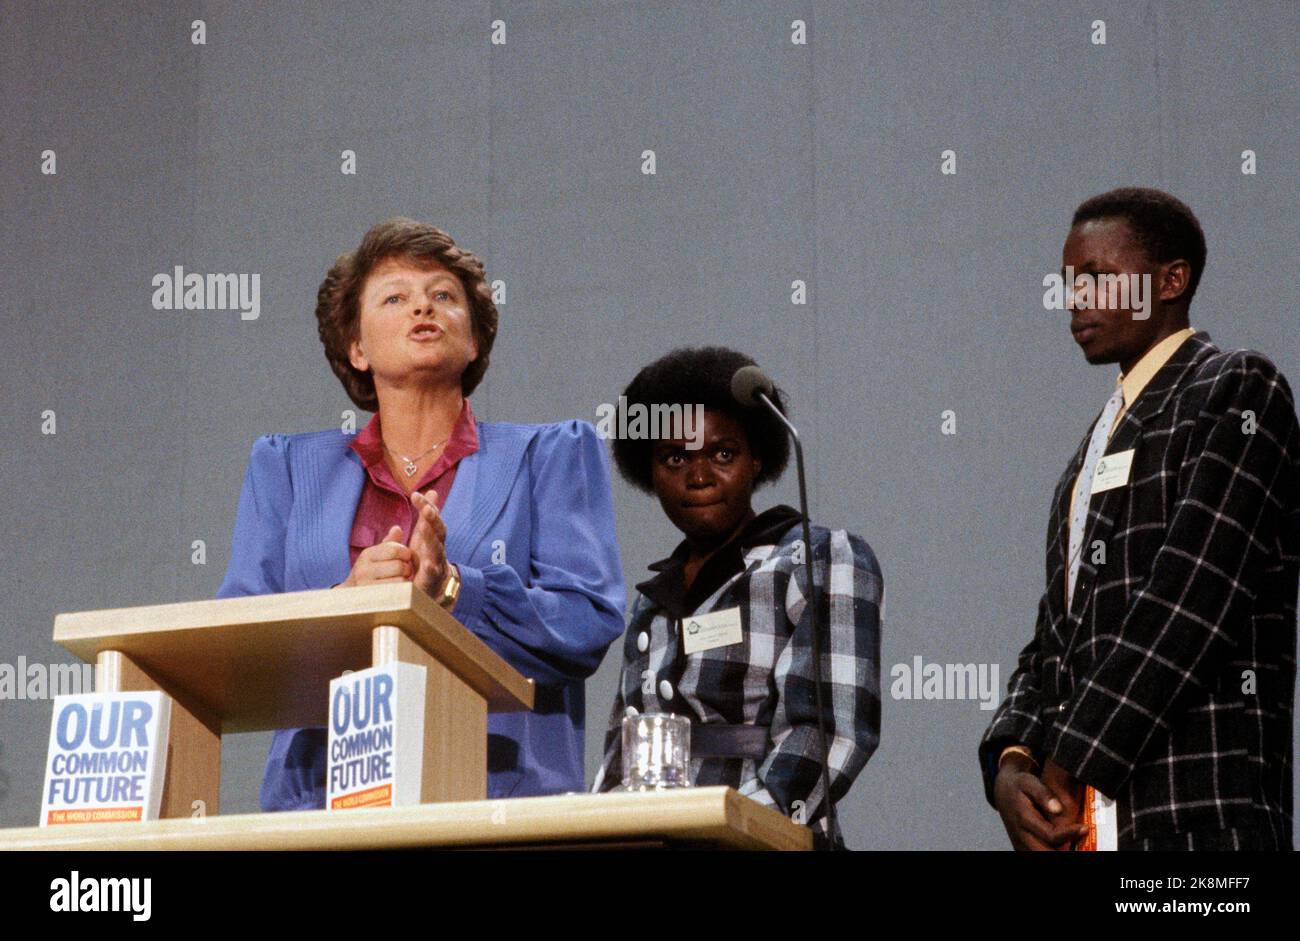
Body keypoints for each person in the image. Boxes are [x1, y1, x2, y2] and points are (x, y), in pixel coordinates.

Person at [216, 218, 626, 808]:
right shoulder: (285, 468)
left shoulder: (550, 454)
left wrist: (456, 591)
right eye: (395, 298)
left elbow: (585, 624)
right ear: (356, 347)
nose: (421, 309)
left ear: (475, 339)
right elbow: (241, 654)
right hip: (322, 808)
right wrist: (344, 603)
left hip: (493, 805)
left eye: (442, 295)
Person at [980, 188, 1299, 850]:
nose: (1076, 299)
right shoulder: (1090, 448)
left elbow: (1189, 603)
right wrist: (1011, 762)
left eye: (1097, 277)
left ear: (1172, 280)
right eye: (1069, 282)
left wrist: (1065, 762)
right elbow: (1054, 640)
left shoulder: (1237, 389)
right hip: (1091, 830)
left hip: (1197, 820)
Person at [592, 346, 882, 849]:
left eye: (722, 454)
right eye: (675, 457)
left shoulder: (818, 557)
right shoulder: (652, 603)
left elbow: (829, 735)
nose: (699, 475)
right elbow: (621, 757)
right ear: (650, 472)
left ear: (758, 460)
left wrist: (730, 831)